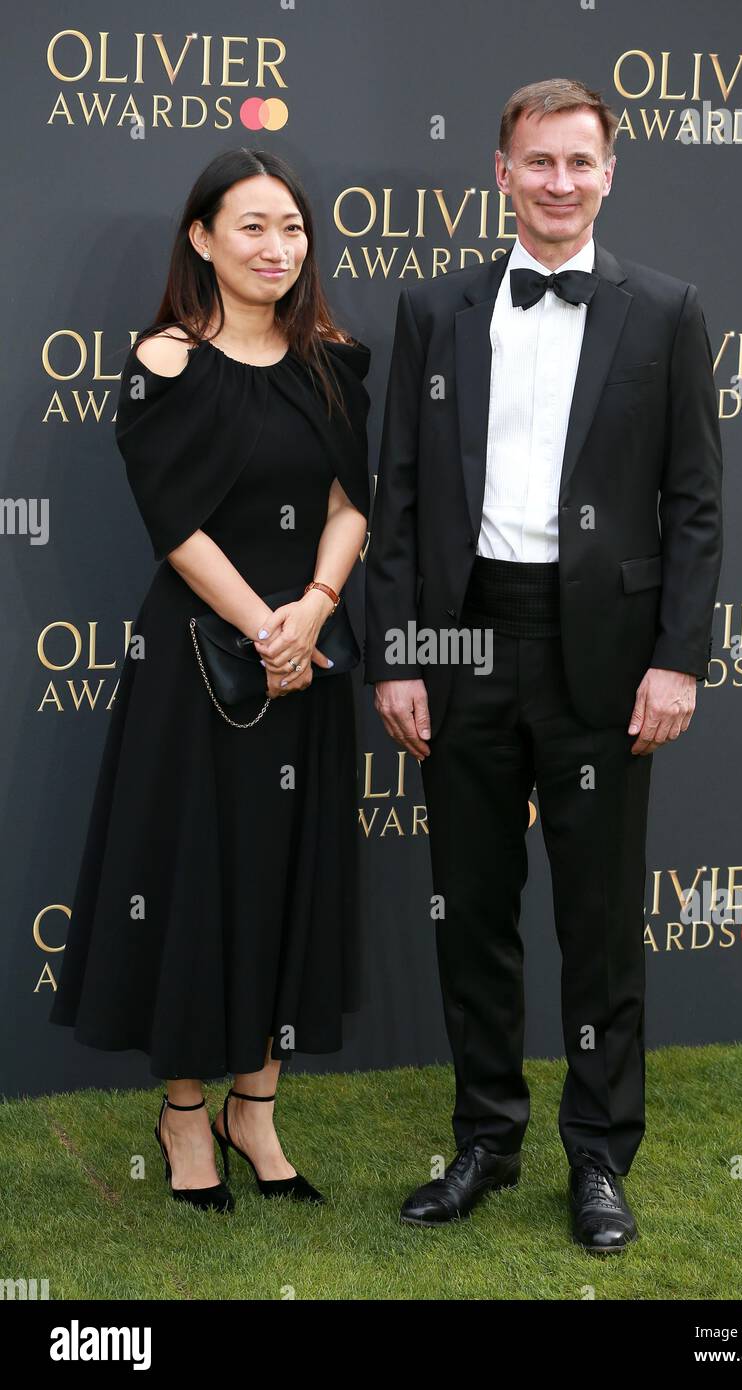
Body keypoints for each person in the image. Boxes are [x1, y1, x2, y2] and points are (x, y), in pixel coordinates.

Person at [365, 78, 723, 1252]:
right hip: (464, 636)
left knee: (602, 918)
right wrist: (404, 654)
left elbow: (695, 506)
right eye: (538, 162)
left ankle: (600, 1158)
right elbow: (401, 498)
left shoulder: (666, 311)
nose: (559, 182)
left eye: (580, 162)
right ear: (502, 172)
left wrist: (677, 663)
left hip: (606, 656)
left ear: (609, 173)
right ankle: (485, 1137)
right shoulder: (437, 306)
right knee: (472, 910)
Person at [50, 148, 371, 1214]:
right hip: (197, 662)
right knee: (191, 877)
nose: (277, 248)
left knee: (286, 875)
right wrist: (263, 630)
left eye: (292, 228)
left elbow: (352, 501)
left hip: (306, 656)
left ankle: (257, 1110)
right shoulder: (165, 363)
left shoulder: (333, 358)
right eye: (251, 227)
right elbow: (174, 523)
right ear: (201, 238)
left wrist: (313, 613)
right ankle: (185, 1115)